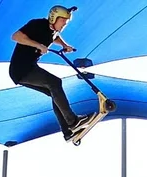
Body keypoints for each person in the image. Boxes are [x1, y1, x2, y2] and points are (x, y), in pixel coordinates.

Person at [9, 6, 94, 142]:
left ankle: (68, 132)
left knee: (54, 93)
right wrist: (38, 45)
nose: (64, 25)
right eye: (63, 21)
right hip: (21, 69)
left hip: (26, 69)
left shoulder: (52, 32)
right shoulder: (38, 24)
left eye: (66, 23)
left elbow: (54, 37)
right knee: (55, 83)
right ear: (54, 18)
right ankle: (72, 121)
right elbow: (16, 36)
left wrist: (65, 45)